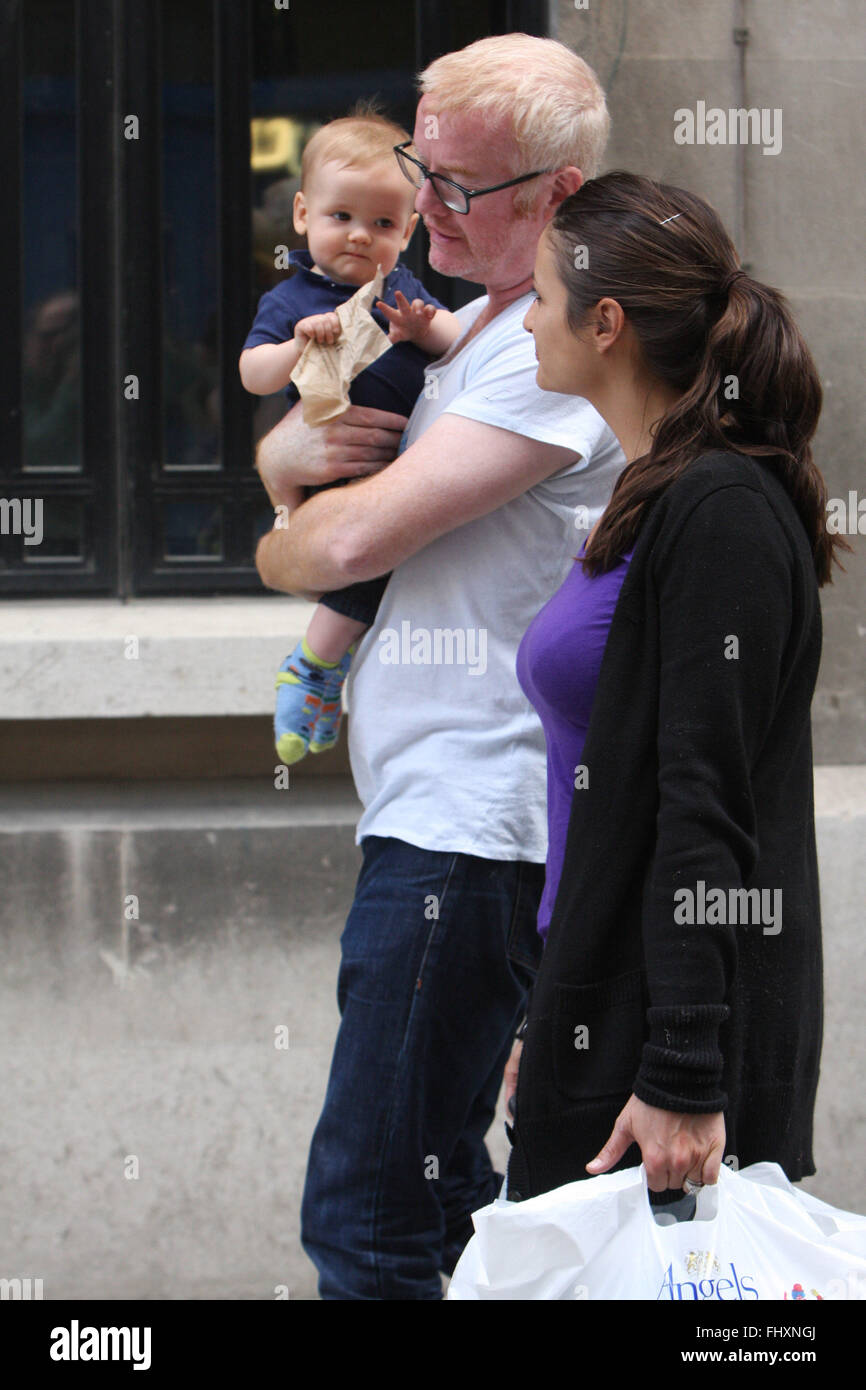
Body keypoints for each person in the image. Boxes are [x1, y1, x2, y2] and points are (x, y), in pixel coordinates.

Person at [254, 34, 624, 1299]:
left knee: (368, 1217)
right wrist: (279, 471)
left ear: (559, 194)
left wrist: (274, 515)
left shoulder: (548, 347)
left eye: (461, 186)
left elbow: (349, 533)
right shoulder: (475, 322)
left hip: (470, 832)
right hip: (443, 819)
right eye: (426, 167)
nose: (426, 208)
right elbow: (314, 440)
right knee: (447, 1202)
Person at [505, 171, 848, 1217]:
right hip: (600, 995)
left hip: (662, 1044)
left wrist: (683, 1072)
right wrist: (549, 1010)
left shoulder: (718, 513)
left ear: (603, 322)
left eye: (537, 295)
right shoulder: (655, 489)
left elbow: (707, 803)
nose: (523, 319)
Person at [240, 106, 462, 764]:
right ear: (303, 215)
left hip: (396, 462)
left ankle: (331, 680)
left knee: (385, 579)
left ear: (410, 229)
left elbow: (461, 342)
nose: (361, 237)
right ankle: (311, 664)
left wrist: (426, 330)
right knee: (361, 567)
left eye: (383, 223)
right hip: (337, 466)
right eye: (342, 218)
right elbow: (253, 375)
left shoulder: (403, 290)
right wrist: (296, 349)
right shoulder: (292, 302)